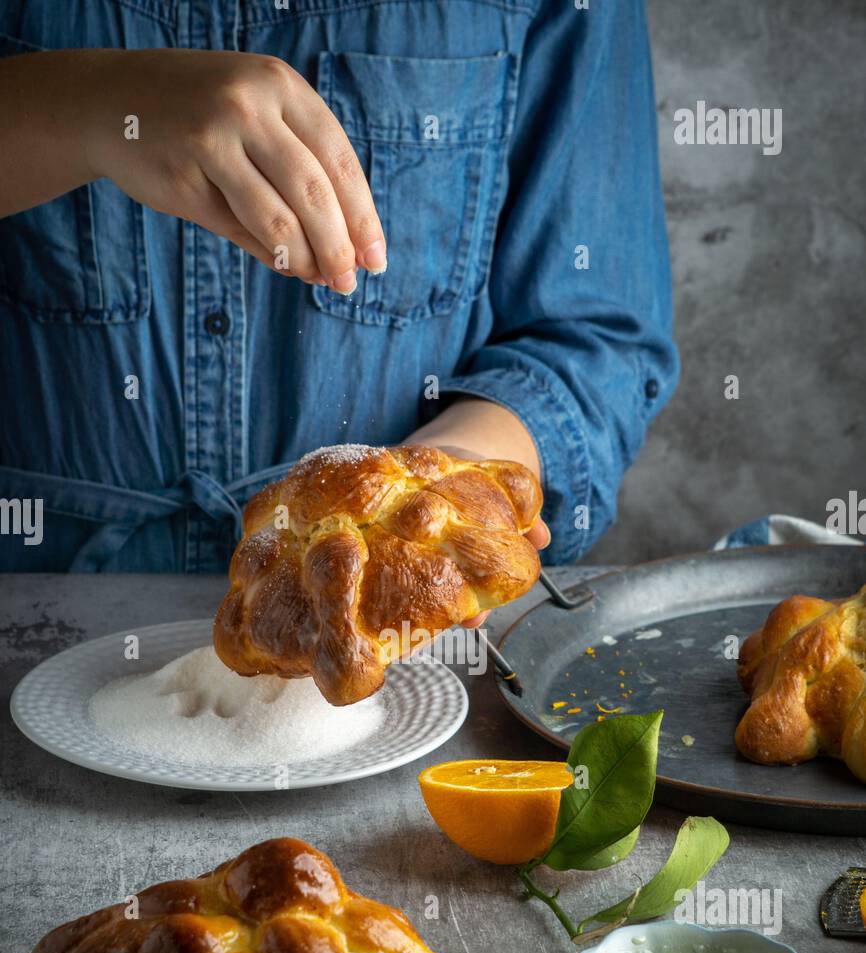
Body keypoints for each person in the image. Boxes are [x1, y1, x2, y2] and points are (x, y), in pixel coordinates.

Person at [0, 0, 677, 576]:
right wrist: (79, 104)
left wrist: (449, 477)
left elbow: (596, 337)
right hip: (33, 603)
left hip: (407, 649)